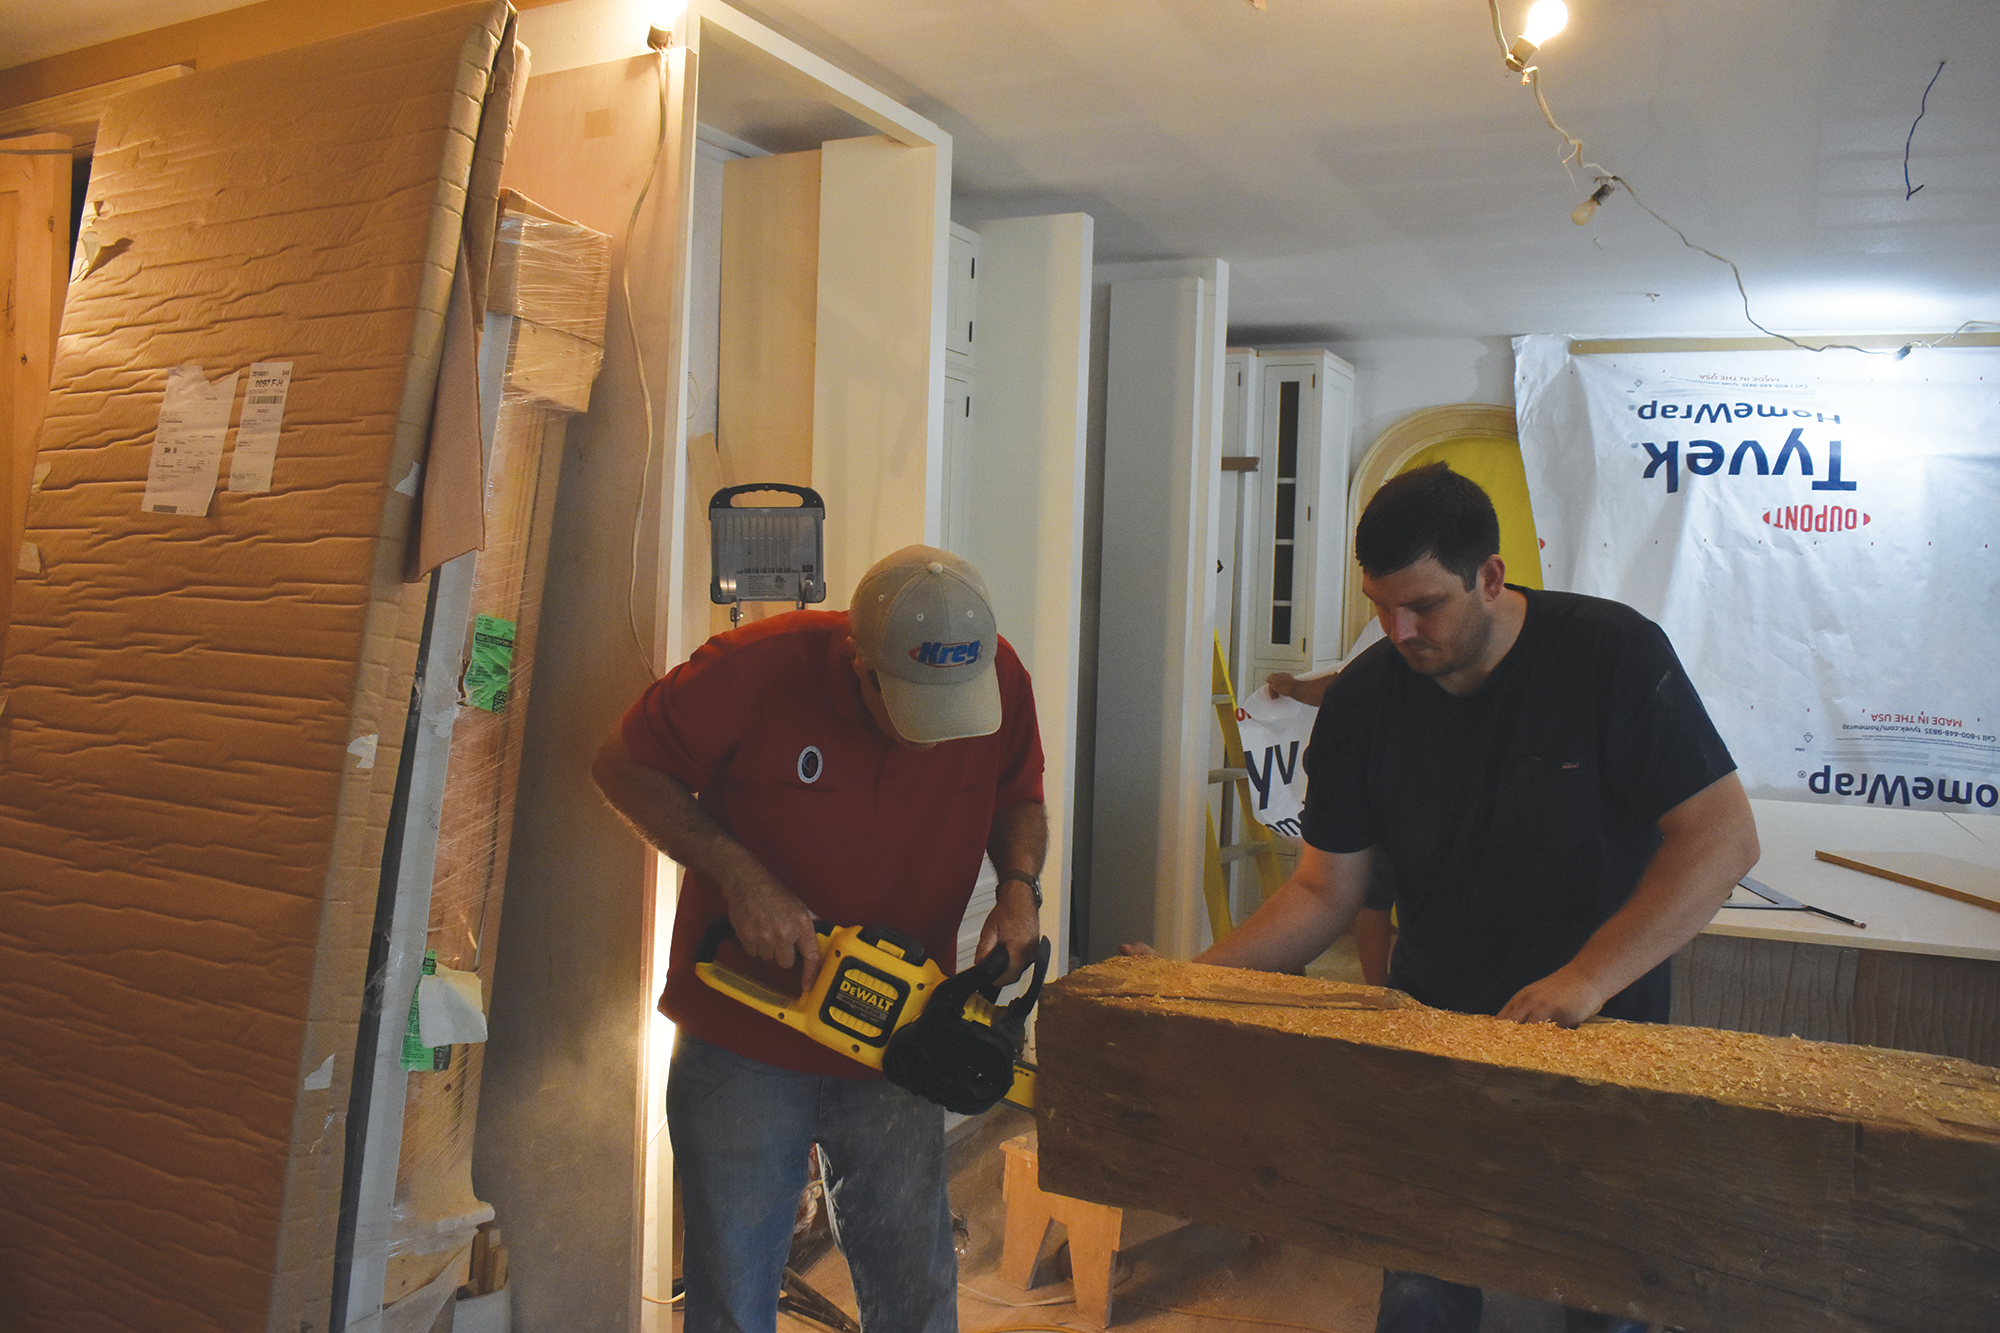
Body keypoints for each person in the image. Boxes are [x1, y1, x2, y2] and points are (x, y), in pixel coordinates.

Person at [1143, 463, 1759, 1333]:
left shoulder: (1608, 654)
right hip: (1436, 1032)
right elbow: (1324, 890)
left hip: (1599, 1032)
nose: (1397, 630)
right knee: (1422, 1287)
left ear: (1491, 577)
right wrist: (1190, 983)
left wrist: (1584, 978)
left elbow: (1723, 836)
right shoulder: (1363, 704)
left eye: (1423, 605)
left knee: (1606, 1293)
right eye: (1378, 606)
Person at [593, 545, 1048, 1333]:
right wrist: (741, 876)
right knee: (733, 1288)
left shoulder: (996, 676)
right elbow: (623, 766)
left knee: (916, 1283)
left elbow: (1018, 792)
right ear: (858, 664)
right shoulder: (753, 670)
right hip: (745, 1038)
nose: (933, 741)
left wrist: (1018, 886)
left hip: (902, 1034)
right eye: (910, 710)